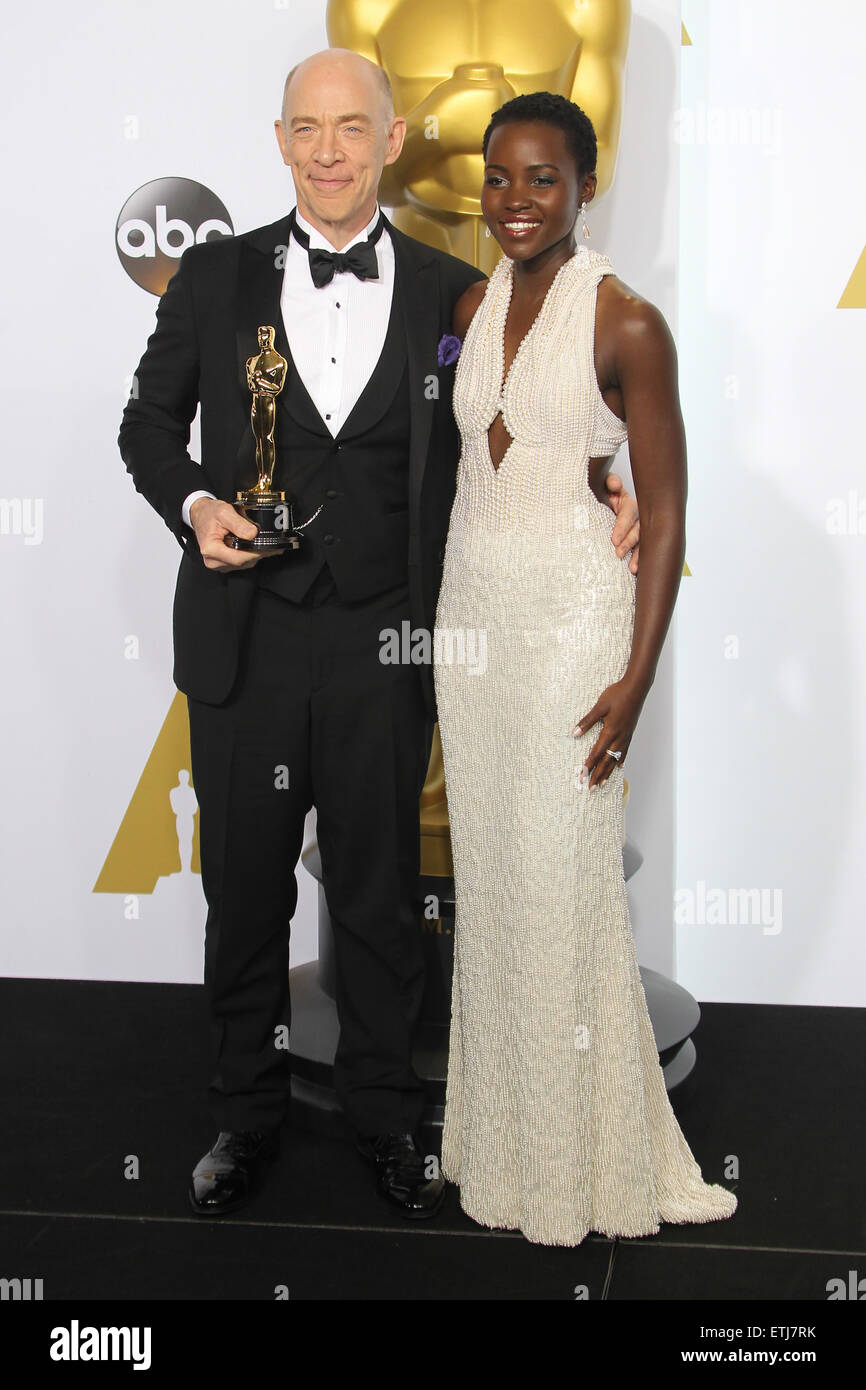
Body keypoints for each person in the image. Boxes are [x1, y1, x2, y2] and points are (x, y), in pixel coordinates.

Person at [117, 52, 640, 1222]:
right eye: (306, 129)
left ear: (392, 139)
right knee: (244, 895)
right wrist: (197, 506)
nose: (329, 151)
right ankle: (243, 1118)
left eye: (350, 128)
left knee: (376, 896)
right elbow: (147, 424)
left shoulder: (456, 292)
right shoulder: (210, 276)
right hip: (244, 640)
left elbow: (527, 420)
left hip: (387, 644)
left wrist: (617, 476)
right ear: (280, 139)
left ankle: (387, 1122)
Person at [433, 92, 738, 1246]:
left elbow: (661, 514)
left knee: (561, 890)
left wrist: (636, 678)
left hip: (573, 630)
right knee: (500, 893)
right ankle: (498, 1145)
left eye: (541, 180)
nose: (515, 202)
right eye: (498, 179)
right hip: (472, 633)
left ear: (584, 186)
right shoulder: (466, 302)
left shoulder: (628, 323)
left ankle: (576, 1164)